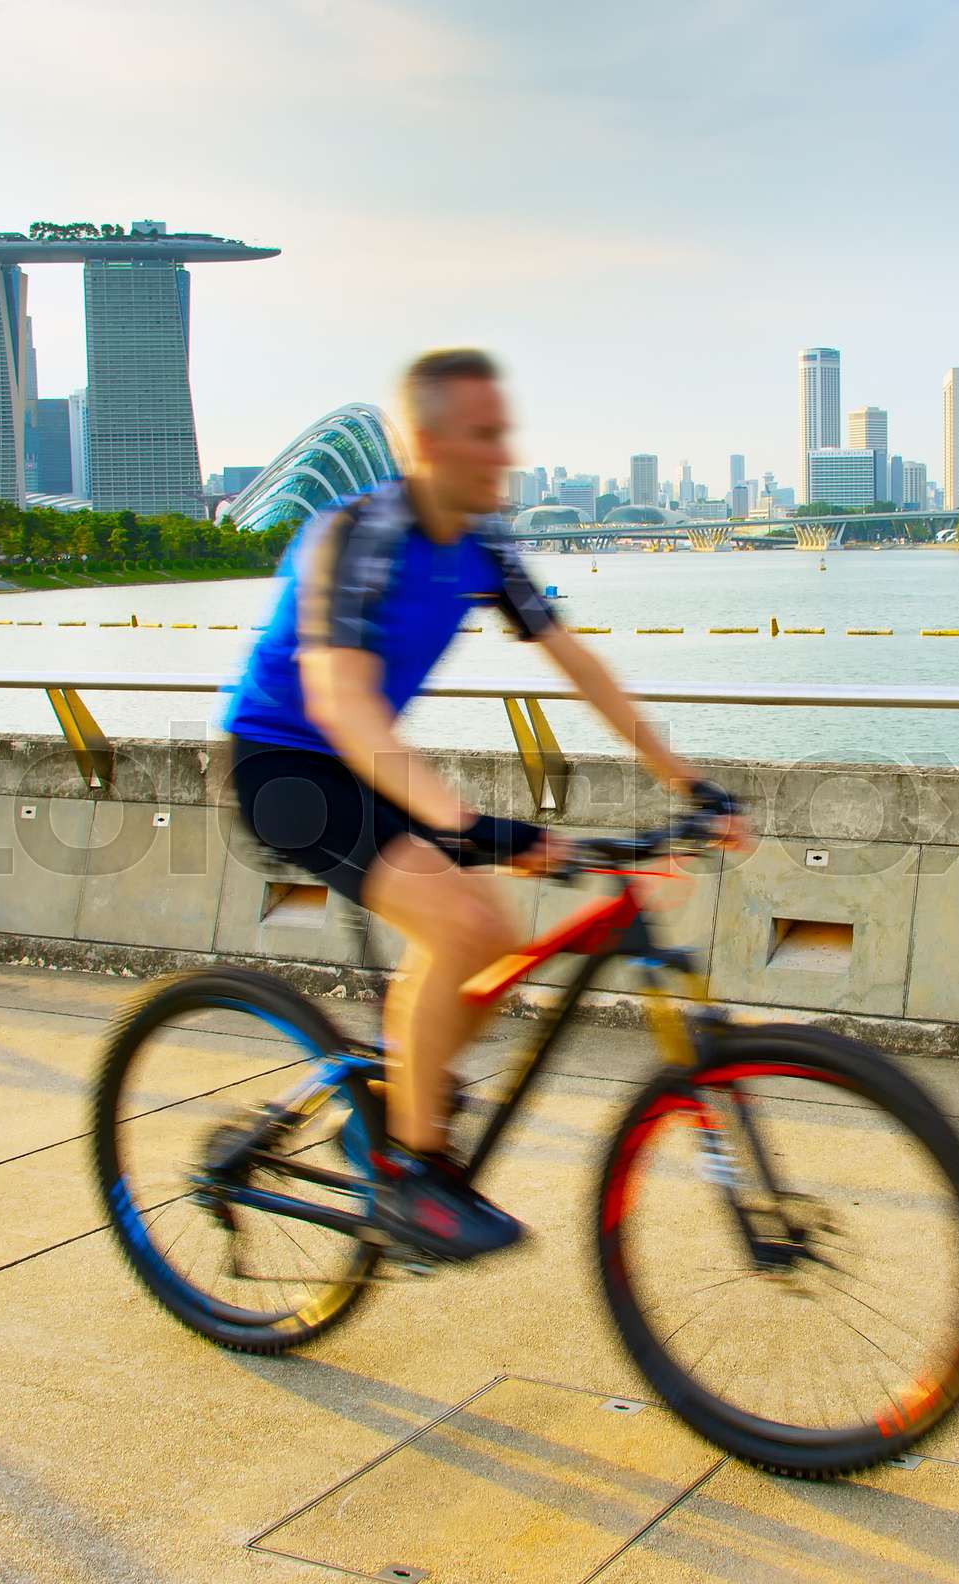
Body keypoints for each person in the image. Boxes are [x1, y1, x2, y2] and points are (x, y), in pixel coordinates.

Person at [225, 349, 743, 1262]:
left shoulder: (483, 541)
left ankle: (393, 1102)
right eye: (485, 434)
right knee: (467, 922)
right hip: (290, 766)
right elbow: (342, 704)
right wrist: (462, 822)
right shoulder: (357, 535)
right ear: (426, 442)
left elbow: (576, 664)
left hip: (372, 761)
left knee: (490, 932)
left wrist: (684, 781)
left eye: (506, 430)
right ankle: (413, 1180)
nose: (505, 452)